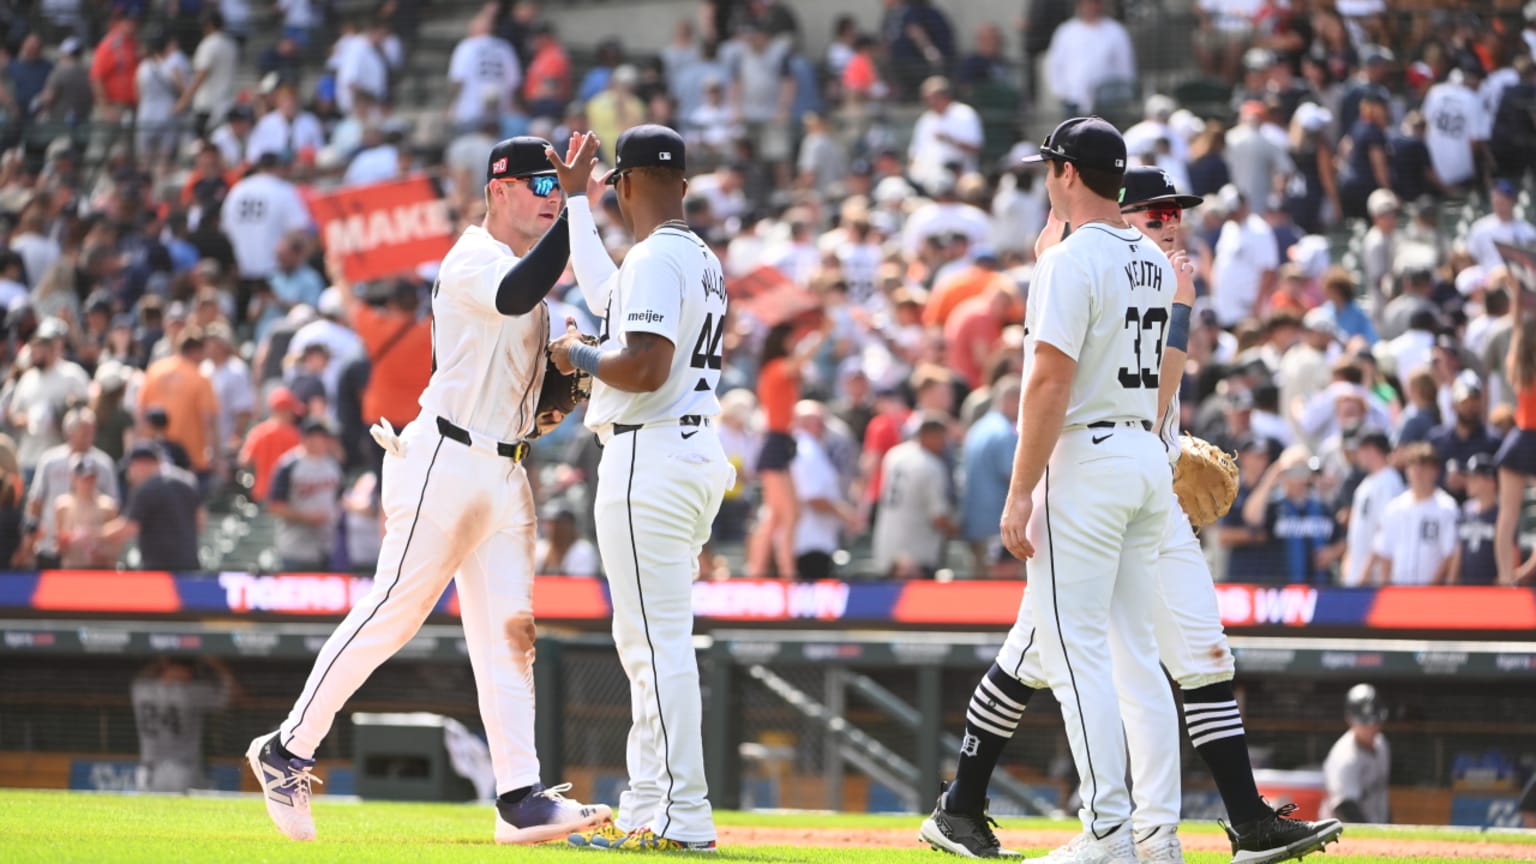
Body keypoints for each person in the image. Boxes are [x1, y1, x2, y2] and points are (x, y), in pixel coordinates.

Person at [923, 164, 1340, 862]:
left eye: (1177, 210)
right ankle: (1119, 831)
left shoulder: (1137, 270)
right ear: (1122, 214)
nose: (1171, 221)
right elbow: (1127, 398)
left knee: (1169, 654)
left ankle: (986, 807)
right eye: (1155, 211)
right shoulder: (1111, 269)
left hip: (1139, 487)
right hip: (1098, 479)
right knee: (1071, 657)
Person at [246, 136, 610, 845]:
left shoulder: (522, 267)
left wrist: (556, 388)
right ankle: (286, 747)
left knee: (510, 636)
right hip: (445, 457)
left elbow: (532, 384)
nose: (547, 195)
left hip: (504, 467)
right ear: (497, 190)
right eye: (537, 184)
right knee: (395, 610)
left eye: (553, 185)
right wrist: (574, 207)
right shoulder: (474, 258)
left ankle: (519, 796)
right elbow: (516, 292)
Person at [924, 118, 1176, 863]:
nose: (1044, 179)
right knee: (1136, 653)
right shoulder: (1153, 259)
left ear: (1067, 173)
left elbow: (1049, 380)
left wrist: (1018, 490)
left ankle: (1107, 835)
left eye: (1048, 168)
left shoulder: (1069, 260)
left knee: (1077, 659)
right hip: (1140, 449)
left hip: (1087, 458)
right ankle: (1156, 836)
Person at [551, 125, 734, 852]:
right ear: (681, 183)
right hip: (688, 454)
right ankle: (648, 807)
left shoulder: (658, 257)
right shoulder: (694, 257)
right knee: (651, 646)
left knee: (657, 650)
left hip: (651, 456)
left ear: (624, 185)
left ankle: (683, 818)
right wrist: (573, 204)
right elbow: (610, 293)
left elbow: (644, 364)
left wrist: (577, 353)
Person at [132, 657, 235, 793]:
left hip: (147, 772)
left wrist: (161, 661)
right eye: (191, 671)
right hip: (182, 770)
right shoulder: (191, 692)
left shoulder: (140, 689)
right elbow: (233, 694)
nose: (192, 676)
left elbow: (144, 676)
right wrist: (217, 664)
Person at [871, 414, 955, 579]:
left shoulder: (894, 454)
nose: (945, 443)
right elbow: (938, 517)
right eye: (941, 437)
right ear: (929, 435)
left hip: (887, 544)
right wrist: (959, 530)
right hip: (916, 553)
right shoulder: (931, 465)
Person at [1365, 442, 1458, 585]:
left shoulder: (1446, 507)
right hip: (1398, 590)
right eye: (1413, 466)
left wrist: (1433, 588)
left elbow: (1450, 554)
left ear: (1435, 471)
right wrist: (1385, 587)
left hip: (1432, 592)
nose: (1418, 472)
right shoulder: (1395, 507)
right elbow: (1384, 551)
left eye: (1424, 466)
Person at [102, 444, 203, 571]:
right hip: (190, 565)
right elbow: (200, 522)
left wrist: (96, 534)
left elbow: (129, 527)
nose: (129, 473)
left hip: (160, 570)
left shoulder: (147, 489)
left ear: (141, 464)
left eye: (131, 467)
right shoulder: (187, 481)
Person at [266, 419, 344, 572]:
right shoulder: (289, 465)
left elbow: (340, 499)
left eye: (323, 437)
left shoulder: (333, 465)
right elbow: (274, 506)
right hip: (295, 547)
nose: (320, 442)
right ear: (305, 439)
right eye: (315, 437)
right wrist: (307, 517)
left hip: (326, 546)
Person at [1321, 684, 1391, 824]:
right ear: (1350, 720)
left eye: (1375, 721)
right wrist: (1372, 836)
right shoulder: (1344, 757)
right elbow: (1346, 808)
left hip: (1374, 828)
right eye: (1365, 723)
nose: (1371, 727)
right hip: (1343, 834)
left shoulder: (1382, 744)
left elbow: (1382, 795)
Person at [1341, 433, 1403, 587]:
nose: (1358, 455)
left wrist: (1367, 569)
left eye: (1361, 450)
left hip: (1373, 577)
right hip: (1357, 573)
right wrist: (1348, 560)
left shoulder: (1389, 481)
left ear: (1371, 450)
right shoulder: (1368, 482)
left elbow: (1385, 530)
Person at [54, 457, 121, 568]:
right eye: (83, 479)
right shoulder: (62, 506)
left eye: (91, 479)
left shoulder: (107, 506)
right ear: (73, 478)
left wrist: (100, 550)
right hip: (72, 568)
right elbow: (58, 548)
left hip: (100, 570)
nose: (87, 483)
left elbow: (116, 546)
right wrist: (64, 542)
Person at [1450, 453, 1499, 585]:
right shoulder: (1465, 511)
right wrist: (1451, 585)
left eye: (1474, 477)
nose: (1468, 481)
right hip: (1466, 592)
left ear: (1490, 481)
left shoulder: (1501, 515)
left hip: (1493, 593)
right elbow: (1459, 552)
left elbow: (1512, 557)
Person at [535, 506, 600, 577]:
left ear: (570, 526)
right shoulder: (540, 548)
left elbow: (581, 584)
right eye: (550, 523)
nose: (553, 529)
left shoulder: (583, 550)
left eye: (558, 524)